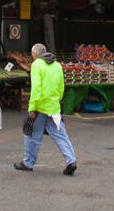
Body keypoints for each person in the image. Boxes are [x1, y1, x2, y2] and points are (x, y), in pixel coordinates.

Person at [14, 42, 78, 176]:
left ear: (35, 54)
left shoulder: (37, 65)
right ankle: (71, 161)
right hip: (54, 107)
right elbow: (61, 87)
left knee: (31, 133)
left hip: (40, 107)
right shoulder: (57, 65)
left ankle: (28, 162)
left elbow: (36, 88)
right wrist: (57, 100)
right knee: (61, 136)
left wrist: (32, 107)